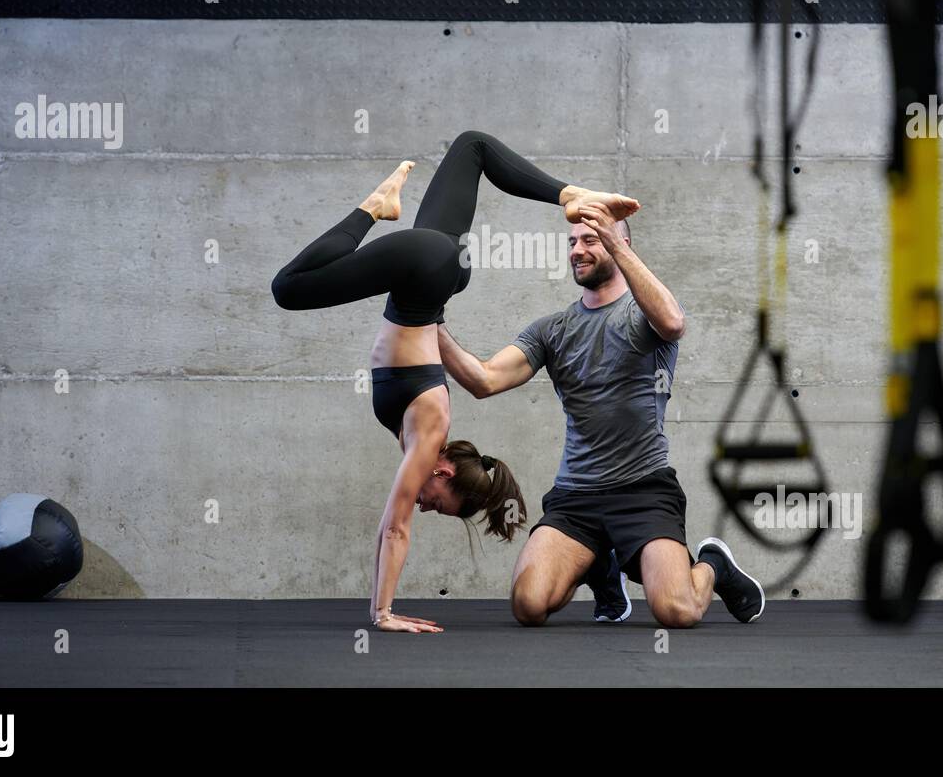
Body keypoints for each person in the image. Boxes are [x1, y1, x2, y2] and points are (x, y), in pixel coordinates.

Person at [270, 130, 639, 633]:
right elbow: (394, 527)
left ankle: (569, 195)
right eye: (437, 504)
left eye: (433, 511)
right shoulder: (430, 430)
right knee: (287, 290)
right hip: (425, 269)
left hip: (437, 274)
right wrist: (382, 614)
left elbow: (395, 520)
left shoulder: (419, 436)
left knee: (472, 148)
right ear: (442, 473)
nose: (425, 505)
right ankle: (375, 206)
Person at [439, 205, 765, 628]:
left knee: (676, 612)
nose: (577, 249)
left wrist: (612, 239)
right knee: (529, 605)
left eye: (590, 239)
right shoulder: (551, 330)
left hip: (644, 491)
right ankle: (602, 568)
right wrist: (427, 320)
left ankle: (712, 566)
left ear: (620, 244)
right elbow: (483, 380)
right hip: (577, 497)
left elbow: (673, 321)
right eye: (572, 242)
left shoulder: (643, 313)